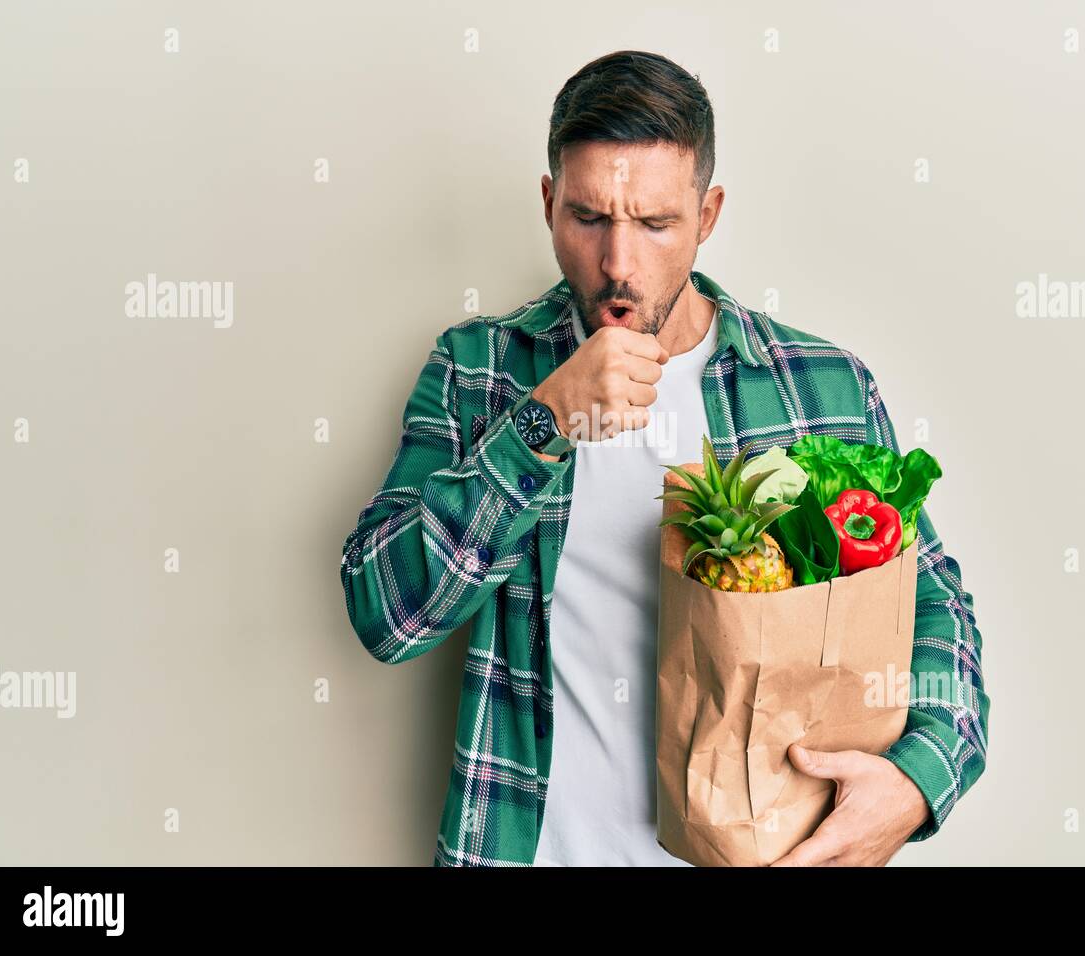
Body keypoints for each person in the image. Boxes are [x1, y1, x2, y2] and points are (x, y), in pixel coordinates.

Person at [339, 50, 989, 867]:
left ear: (707, 214)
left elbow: (933, 608)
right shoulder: (478, 371)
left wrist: (919, 782)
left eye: (654, 224)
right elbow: (387, 614)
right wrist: (544, 421)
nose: (619, 264)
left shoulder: (821, 386)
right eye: (587, 218)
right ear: (547, 204)